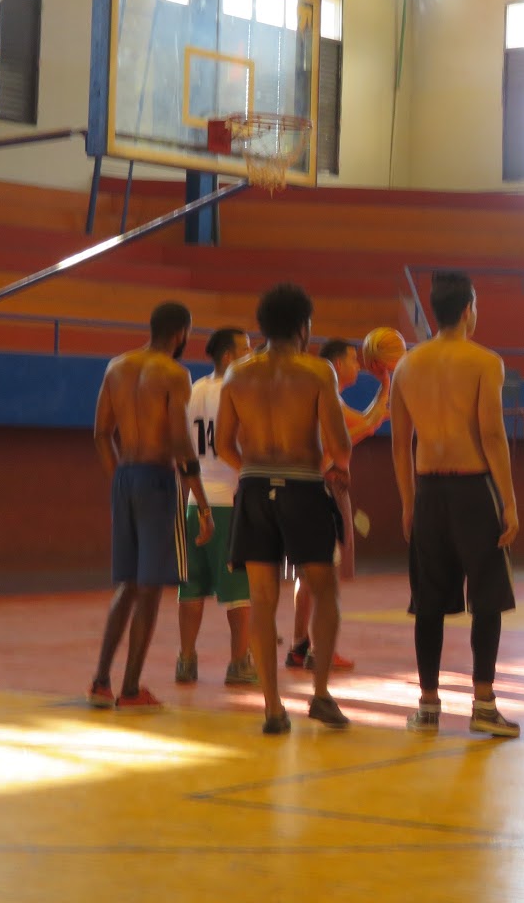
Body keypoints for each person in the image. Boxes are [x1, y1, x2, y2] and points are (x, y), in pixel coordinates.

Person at [391, 270, 521, 738]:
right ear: (467, 310)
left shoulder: (407, 365)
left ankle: (427, 706)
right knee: (486, 599)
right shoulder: (485, 362)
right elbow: (491, 433)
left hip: (428, 491)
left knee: (428, 603)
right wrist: (508, 501)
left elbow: (400, 443)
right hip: (473, 491)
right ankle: (483, 703)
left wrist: (408, 503)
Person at [218, 284, 353, 734]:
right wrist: (329, 466)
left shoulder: (237, 373)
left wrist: (252, 470)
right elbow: (341, 446)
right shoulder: (317, 373)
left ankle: (273, 708)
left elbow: (222, 444)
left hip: (254, 490)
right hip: (303, 489)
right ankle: (319, 695)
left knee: (262, 600)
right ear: (303, 327)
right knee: (325, 590)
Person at [90, 302, 211, 712]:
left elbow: (101, 433)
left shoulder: (116, 367)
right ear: (180, 333)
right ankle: (131, 688)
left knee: (126, 583)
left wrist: (120, 480)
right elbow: (179, 441)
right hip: (157, 480)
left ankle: (100, 681)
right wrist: (202, 500)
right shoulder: (175, 374)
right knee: (150, 588)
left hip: (125, 476)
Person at [287, 337, 388, 673]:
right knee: (324, 572)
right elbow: (369, 424)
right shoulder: (326, 393)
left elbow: (365, 421)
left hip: (300, 488)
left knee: (307, 571)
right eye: (353, 360)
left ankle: (301, 645)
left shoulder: (313, 390)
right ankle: (319, 649)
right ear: (337, 363)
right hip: (322, 490)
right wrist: (387, 382)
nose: (358, 365)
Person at [176, 328, 257, 689]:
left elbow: (184, 447)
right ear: (228, 356)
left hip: (195, 500)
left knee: (192, 589)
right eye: (246, 349)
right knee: (239, 592)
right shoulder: (238, 391)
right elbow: (232, 445)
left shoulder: (194, 390)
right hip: (228, 500)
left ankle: (186, 660)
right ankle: (239, 662)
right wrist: (252, 473)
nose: (252, 355)